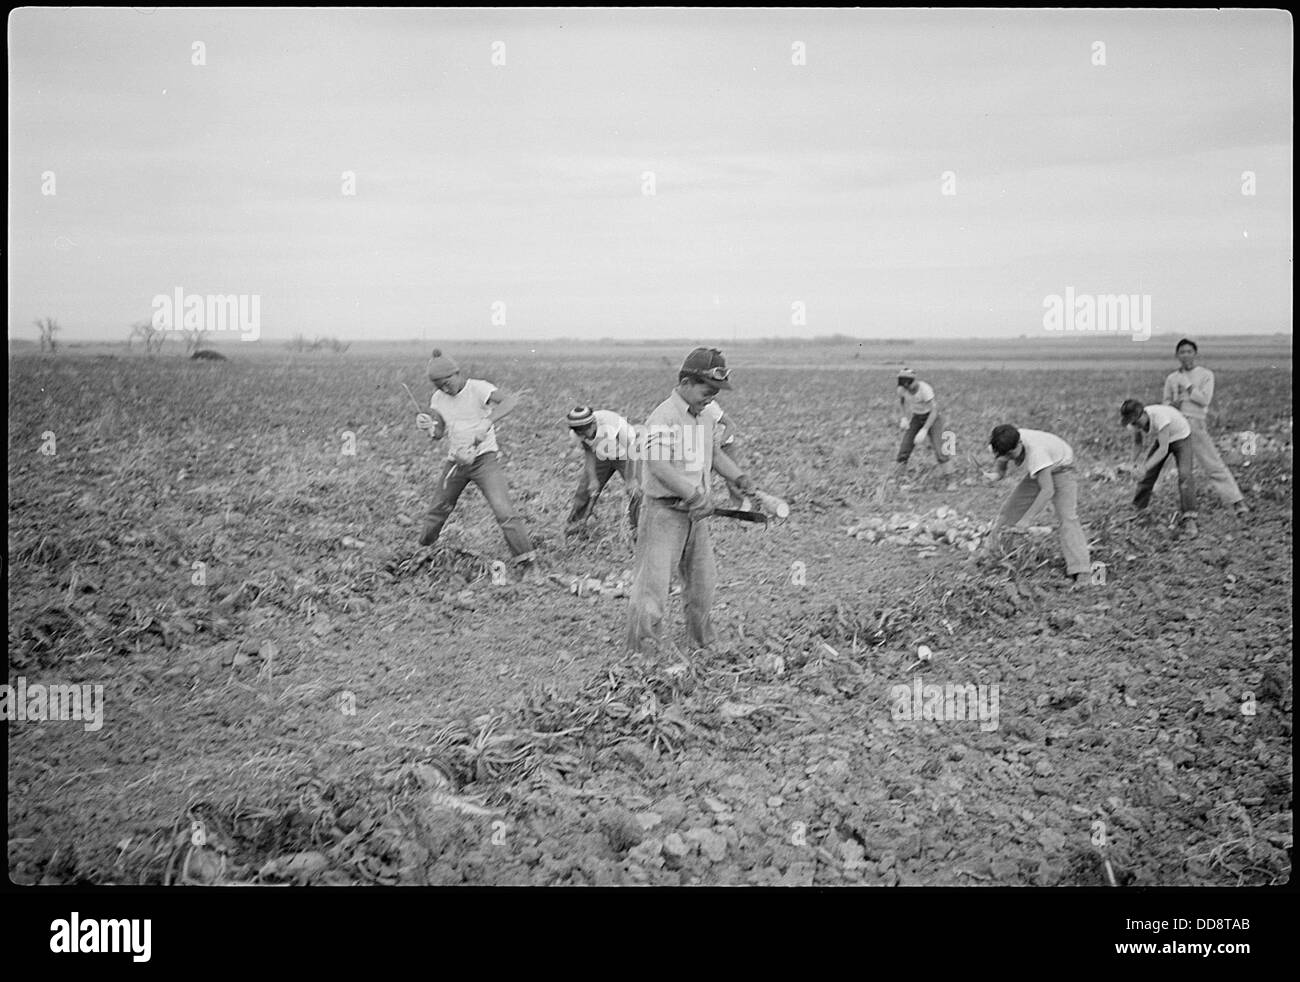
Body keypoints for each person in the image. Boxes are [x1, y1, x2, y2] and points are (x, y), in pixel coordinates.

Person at [625, 347, 757, 655]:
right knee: (652, 588)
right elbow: (657, 465)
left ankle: (701, 644)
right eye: (706, 389)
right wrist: (695, 494)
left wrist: (739, 478)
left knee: (702, 584)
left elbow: (715, 455)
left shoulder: (706, 415)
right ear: (685, 382)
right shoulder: (663, 417)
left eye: (716, 391)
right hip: (664, 513)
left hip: (696, 516)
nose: (711, 396)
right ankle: (643, 655)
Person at [415, 349, 537, 571]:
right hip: (456, 461)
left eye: (447, 382)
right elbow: (439, 432)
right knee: (438, 508)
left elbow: (509, 401)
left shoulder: (478, 388)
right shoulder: (438, 398)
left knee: (503, 511)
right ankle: (421, 552)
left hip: (484, 460)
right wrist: (428, 428)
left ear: (457, 374)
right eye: (438, 385)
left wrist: (486, 422)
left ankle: (527, 563)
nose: (444, 388)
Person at [977, 424, 1091, 586]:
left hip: (1062, 468)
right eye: (1004, 455)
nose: (1008, 457)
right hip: (1039, 470)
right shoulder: (1002, 444)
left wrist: (1027, 520)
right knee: (1008, 511)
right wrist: (994, 476)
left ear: (1019, 444)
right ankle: (988, 554)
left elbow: (1047, 490)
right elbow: (1001, 467)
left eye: (1010, 454)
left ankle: (1082, 571)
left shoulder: (1037, 453)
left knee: (1067, 518)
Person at [1162, 338, 1249, 517]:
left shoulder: (1205, 375)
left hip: (1195, 424)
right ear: (1177, 355)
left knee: (1212, 463)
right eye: (1182, 352)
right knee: (1169, 467)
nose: (1185, 355)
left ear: (1195, 353)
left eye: (1189, 351)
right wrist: (1172, 406)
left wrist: (1188, 385)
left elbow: (1204, 400)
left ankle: (1237, 501)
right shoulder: (1172, 378)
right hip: (1177, 425)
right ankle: (1150, 505)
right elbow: (1165, 402)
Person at [1120, 399, 1198, 538]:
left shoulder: (1160, 417)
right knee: (1149, 475)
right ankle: (1138, 508)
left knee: (1185, 475)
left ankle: (1189, 518)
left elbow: (1163, 450)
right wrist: (1132, 463)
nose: (1135, 426)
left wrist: (1144, 467)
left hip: (1181, 435)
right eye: (1132, 423)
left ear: (1143, 414)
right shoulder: (1134, 425)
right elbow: (1138, 443)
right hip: (1165, 438)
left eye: (1137, 422)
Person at [564, 406, 642, 537]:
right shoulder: (578, 432)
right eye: (580, 434)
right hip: (601, 454)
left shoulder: (609, 425)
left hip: (626, 453)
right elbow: (589, 452)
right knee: (585, 490)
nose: (582, 436)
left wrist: (630, 479)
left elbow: (631, 451)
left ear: (593, 424)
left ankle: (639, 529)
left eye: (584, 432)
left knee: (637, 491)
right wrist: (593, 479)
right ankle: (576, 525)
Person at [886, 368, 956, 488]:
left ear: (915, 380)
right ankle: (897, 479)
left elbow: (934, 410)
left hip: (933, 419)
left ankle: (951, 481)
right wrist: (904, 417)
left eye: (911, 384)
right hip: (916, 418)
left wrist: (924, 430)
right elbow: (901, 401)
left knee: (941, 451)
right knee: (904, 448)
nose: (909, 388)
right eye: (906, 386)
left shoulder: (925, 389)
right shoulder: (902, 389)